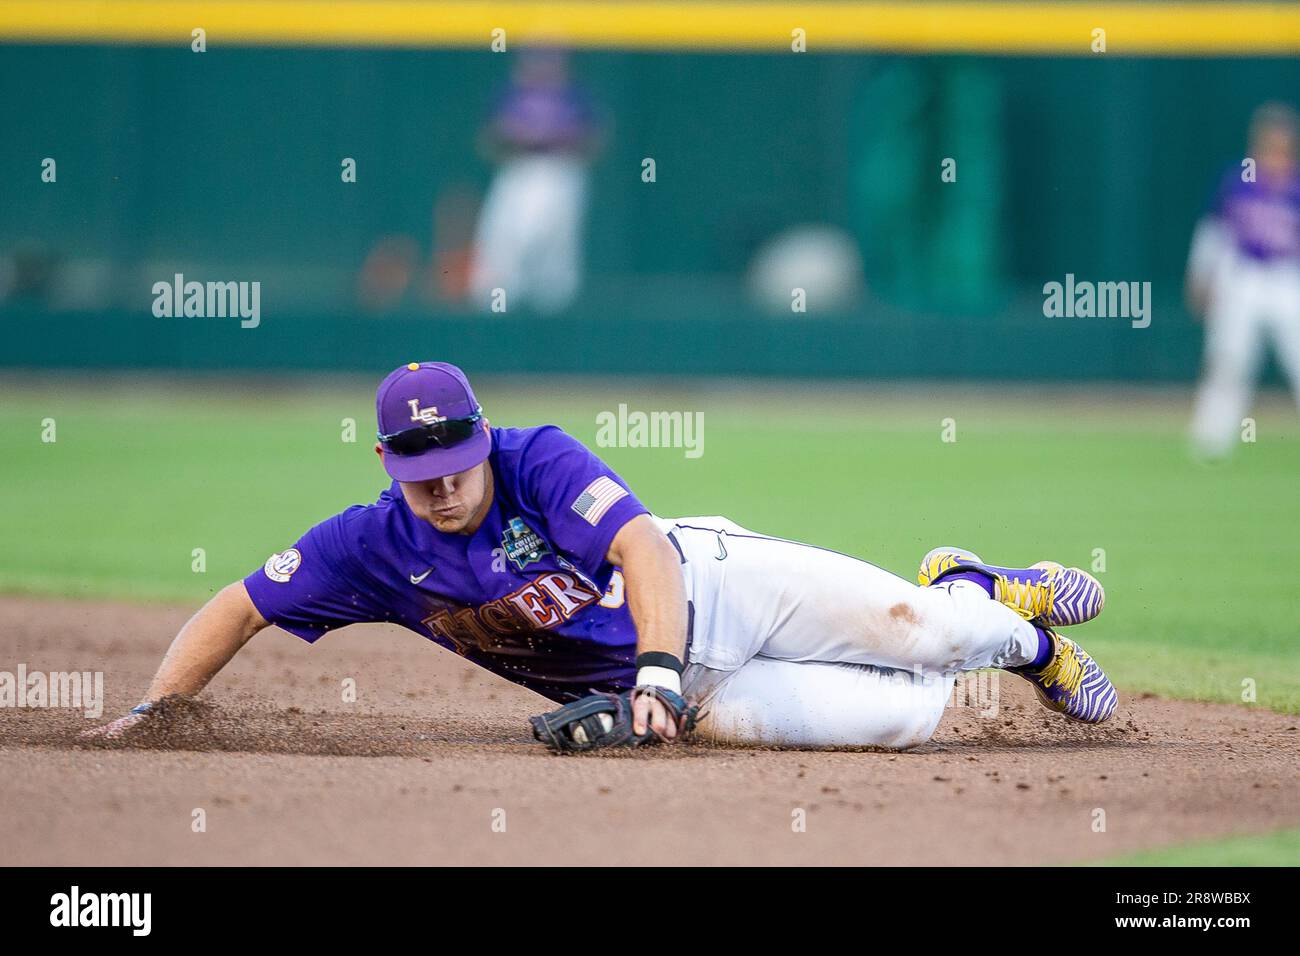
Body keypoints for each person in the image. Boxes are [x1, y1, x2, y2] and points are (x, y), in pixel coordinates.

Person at [83, 361, 1115, 750]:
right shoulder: (370, 546)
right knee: (905, 714)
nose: (442, 482)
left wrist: (655, 672)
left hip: (714, 585)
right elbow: (241, 602)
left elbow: (640, 547)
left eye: (455, 456)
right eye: (419, 467)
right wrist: (152, 710)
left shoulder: (537, 460)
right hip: (699, 699)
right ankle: (969, 601)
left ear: (481, 437)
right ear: (387, 464)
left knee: (920, 632)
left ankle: (1005, 620)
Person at [1188, 102, 1300, 459]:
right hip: (1244, 276)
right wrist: (1200, 275)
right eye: (1269, 141)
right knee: (1229, 358)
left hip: (1286, 278)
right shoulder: (1239, 179)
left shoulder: (1296, 186)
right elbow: (1213, 232)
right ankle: (1211, 440)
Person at [468, 49, 599, 315]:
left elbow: (596, 138)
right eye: (536, 58)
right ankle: (496, 313)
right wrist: (516, 135)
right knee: (503, 252)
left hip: (561, 170)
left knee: (553, 267)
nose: (542, 66)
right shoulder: (509, 92)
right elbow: (487, 139)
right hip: (518, 169)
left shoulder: (575, 95)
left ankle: (553, 319)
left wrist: (559, 137)